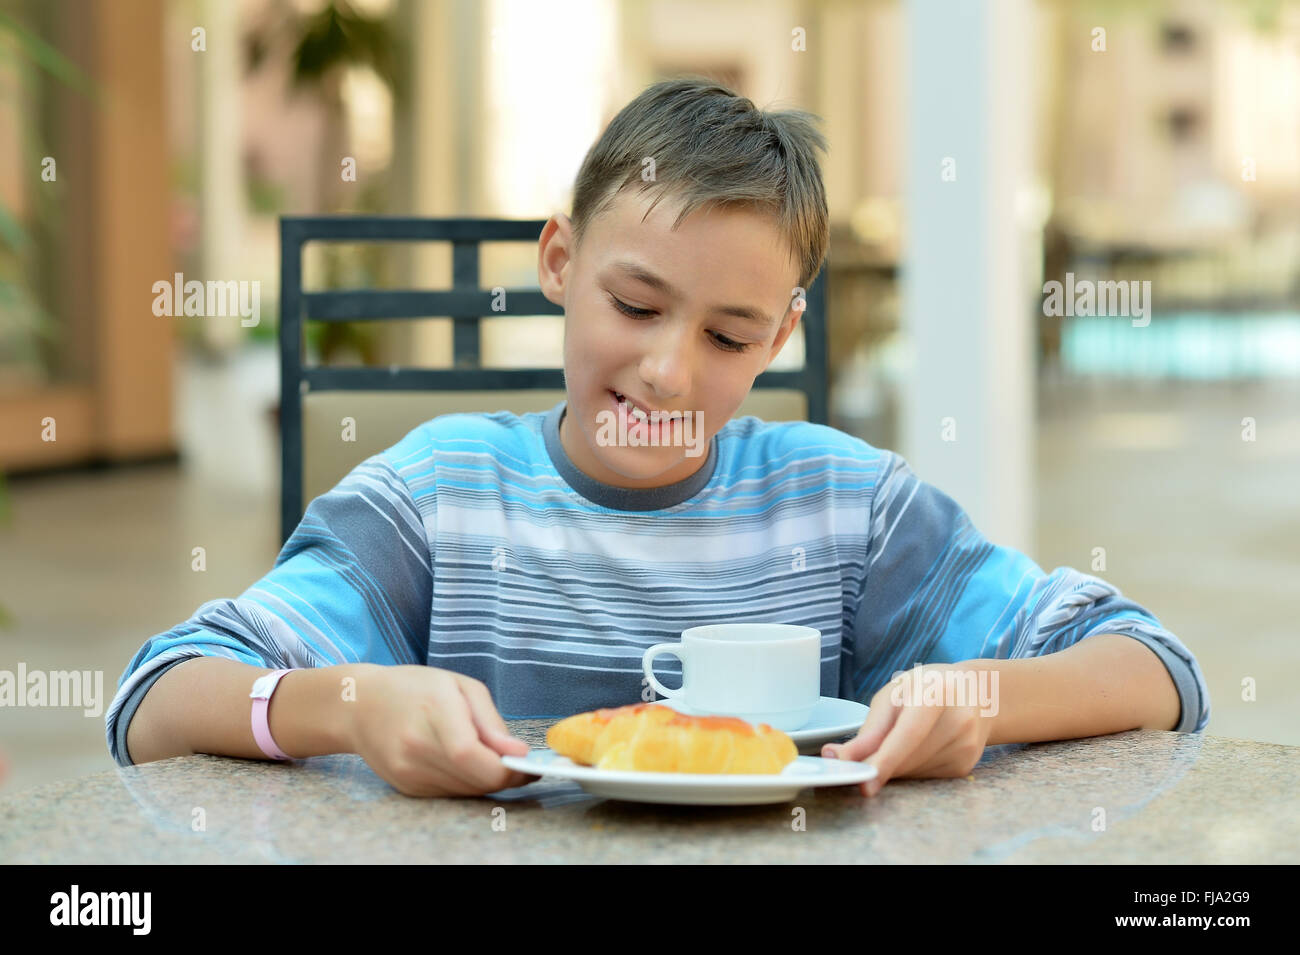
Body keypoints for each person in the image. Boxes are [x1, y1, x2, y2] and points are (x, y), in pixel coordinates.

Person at [108, 77, 1210, 799]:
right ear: (558, 263)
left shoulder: (845, 506)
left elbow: (1155, 668)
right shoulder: (438, 494)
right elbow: (154, 697)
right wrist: (350, 702)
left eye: (728, 335)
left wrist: (975, 697)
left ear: (781, 335)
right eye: (634, 307)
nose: (667, 369)